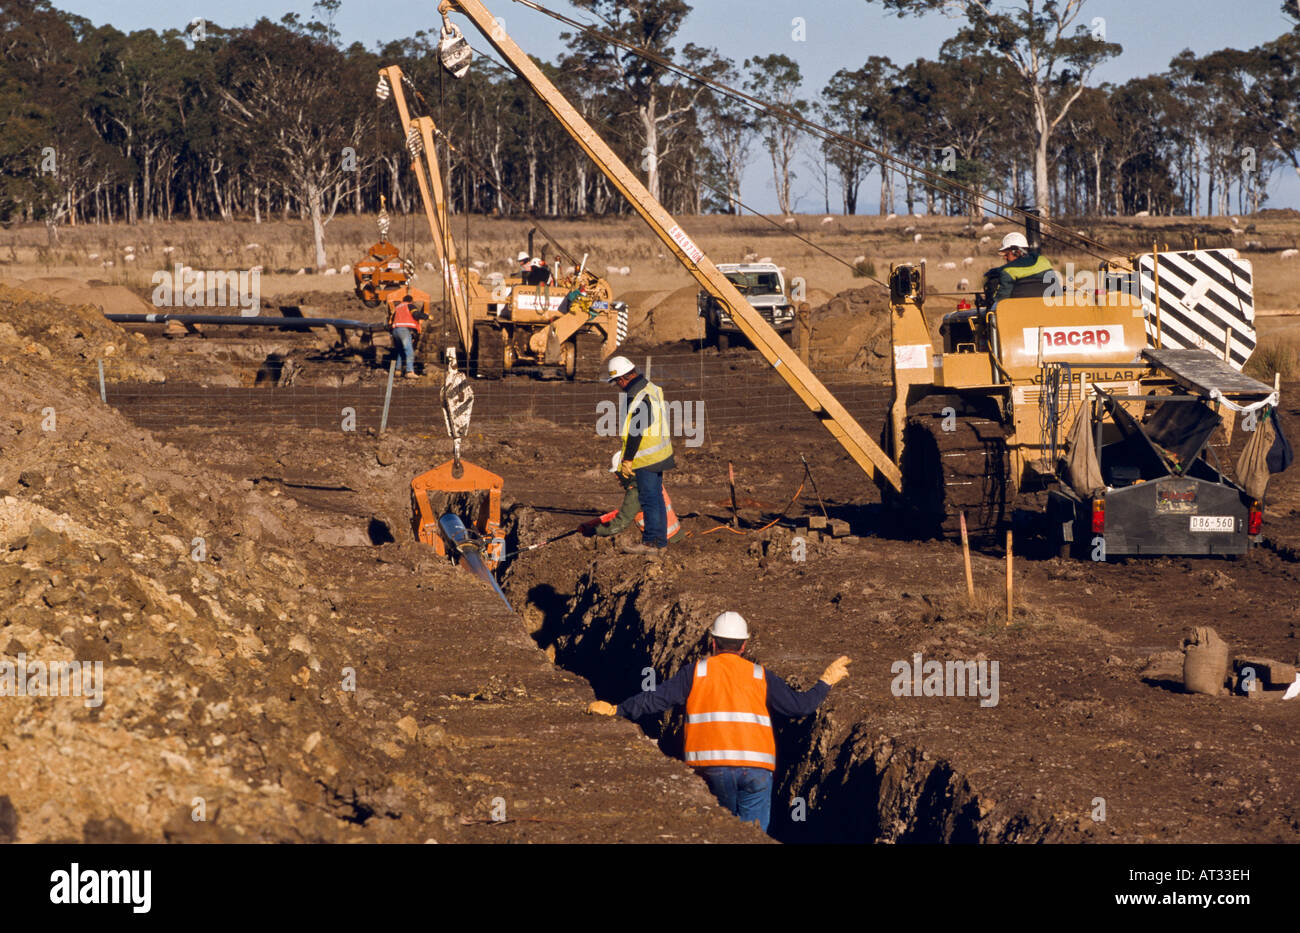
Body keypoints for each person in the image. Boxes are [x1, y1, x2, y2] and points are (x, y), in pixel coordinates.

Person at [587, 611, 851, 833]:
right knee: (752, 837)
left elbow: (655, 700)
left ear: (712, 642)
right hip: (756, 771)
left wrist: (617, 710)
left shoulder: (696, 672)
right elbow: (800, 707)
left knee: (719, 833)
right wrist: (825, 682)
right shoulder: (760, 676)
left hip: (710, 768)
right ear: (744, 646)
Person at [603, 355, 674, 555]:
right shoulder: (650, 388)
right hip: (659, 453)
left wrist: (627, 459)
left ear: (622, 379)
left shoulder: (638, 395)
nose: (618, 386)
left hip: (647, 456)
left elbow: (636, 430)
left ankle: (652, 542)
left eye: (617, 382)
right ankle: (659, 540)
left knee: (649, 497)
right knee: (656, 496)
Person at [579, 452, 681, 542]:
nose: (616, 477)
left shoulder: (636, 490)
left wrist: (594, 530)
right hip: (675, 535)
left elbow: (620, 523)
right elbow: (627, 511)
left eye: (617, 473)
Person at [987, 231, 1055, 304]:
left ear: (1016, 252)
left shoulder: (1008, 271)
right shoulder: (1043, 261)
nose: (1004, 257)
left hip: (1020, 312)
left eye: (1006, 254)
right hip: (1050, 309)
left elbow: (1001, 300)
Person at [389, 294, 428, 378]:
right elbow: (416, 315)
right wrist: (426, 316)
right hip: (404, 330)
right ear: (411, 300)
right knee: (409, 351)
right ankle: (409, 371)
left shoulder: (398, 307)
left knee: (400, 351)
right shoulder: (410, 305)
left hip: (395, 330)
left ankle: (398, 370)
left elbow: (391, 319)